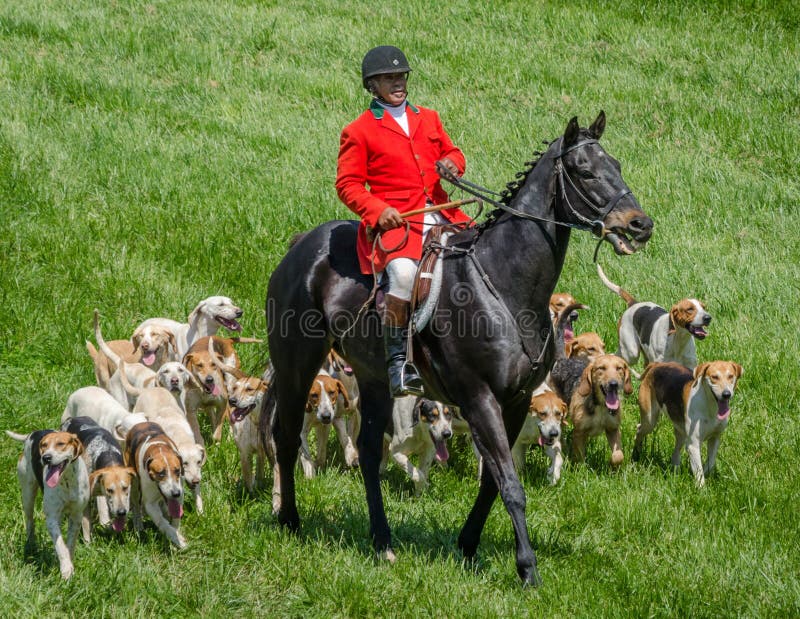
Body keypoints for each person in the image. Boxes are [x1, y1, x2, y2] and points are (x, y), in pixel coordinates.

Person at [336, 45, 471, 397]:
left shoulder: (429, 117)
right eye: (388, 78)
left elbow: (451, 152)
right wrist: (378, 211)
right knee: (404, 275)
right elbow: (348, 184)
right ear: (372, 85)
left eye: (401, 76)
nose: (397, 83)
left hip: (445, 213)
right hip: (399, 227)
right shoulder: (359, 130)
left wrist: (453, 164)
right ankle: (398, 364)